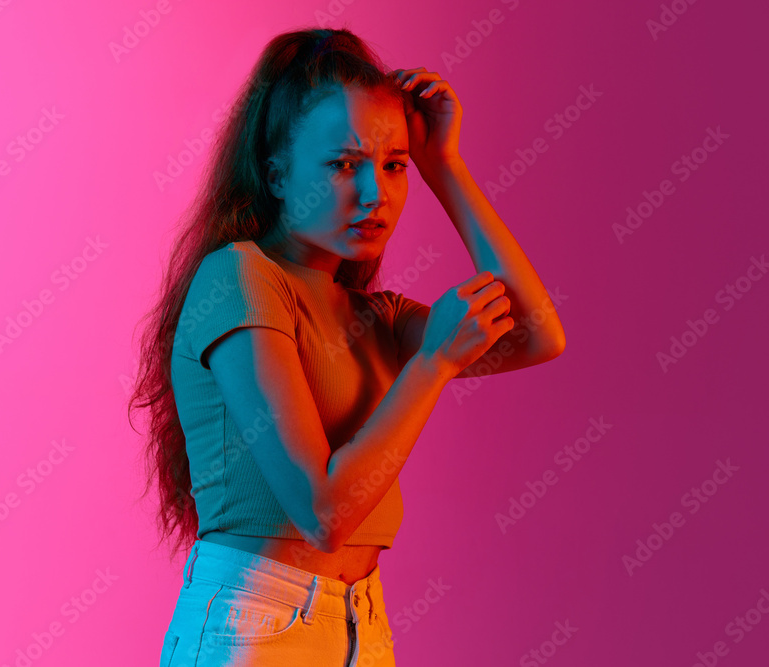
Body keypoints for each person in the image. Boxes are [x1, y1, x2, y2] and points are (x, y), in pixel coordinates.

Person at [129, 27, 566, 666]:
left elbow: (537, 333)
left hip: (361, 624)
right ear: (276, 174)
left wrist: (444, 165)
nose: (375, 196)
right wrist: (434, 363)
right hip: (259, 627)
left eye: (393, 166)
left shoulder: (371, 315)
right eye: (343, 165)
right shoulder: (239, 278)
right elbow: (322, 513)